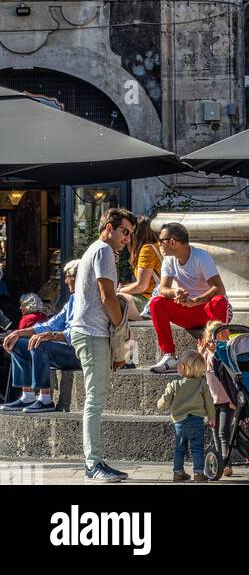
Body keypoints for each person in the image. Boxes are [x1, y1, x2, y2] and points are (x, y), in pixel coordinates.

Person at [70, 207, 135, 483]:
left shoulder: (96, 250)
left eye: (130, 234)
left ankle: (94, 460)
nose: (127, 239)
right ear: (109, 227)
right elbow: (107, 295)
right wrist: (121, 328)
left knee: (95, 399)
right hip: (92, 332)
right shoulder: (104, 251)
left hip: (89, 331)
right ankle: (92, 463)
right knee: (94, 400)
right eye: (124, 232)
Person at [149, 222, 232, 374]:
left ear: (172, 242)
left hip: (208, 312)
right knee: (156, 303)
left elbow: (219, 289)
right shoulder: (168, 260)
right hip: (187, 311)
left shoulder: (201, 256)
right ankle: (169, 355)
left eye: (162, 241)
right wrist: (175, 293)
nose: (159, 244)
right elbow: (162, 289)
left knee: (220, 301)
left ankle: (218, 351)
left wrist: (196, 301)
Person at [2, 260, 81, 413]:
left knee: (40, 343)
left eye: (68, 276)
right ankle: (28, 396)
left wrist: (50, 336)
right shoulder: (72, 300)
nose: (65, 280)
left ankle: (45, 399)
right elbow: (51, 325)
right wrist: (17, 333)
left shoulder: (89, 300)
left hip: (77, 351)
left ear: (80, 277)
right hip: (62, 347)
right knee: (18, 343)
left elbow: (78, 333)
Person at [156, 346, 215, 483]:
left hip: (179, 422)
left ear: (182, 367)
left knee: (179, 448)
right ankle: (199, 474)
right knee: (197, 448)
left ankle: (178, 473)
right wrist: (212, 418)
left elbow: (164, 401)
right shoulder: (202, 384)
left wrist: (159, 404)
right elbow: (209, 403)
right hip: (197, 421)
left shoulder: (174, 384)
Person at [200, 320, 235, 477]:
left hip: (227, 402)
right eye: (211, 338)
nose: (211, 342)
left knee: (223, 433)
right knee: (215, 432)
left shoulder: (226, 354)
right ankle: (220, 462)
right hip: (212, 403)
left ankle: (227, 463)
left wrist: (234, 400)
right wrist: (201, 353)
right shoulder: (206, 355)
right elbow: (196, 370)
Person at [118, 217, 161, 315]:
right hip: (152, 297)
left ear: (135, 233)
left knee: (113, 300)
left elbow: (142, 286)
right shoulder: (156, 246)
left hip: (149, 301)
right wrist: (125, 286)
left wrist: (120, 290)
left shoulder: (146, 250)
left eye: (128, 231)